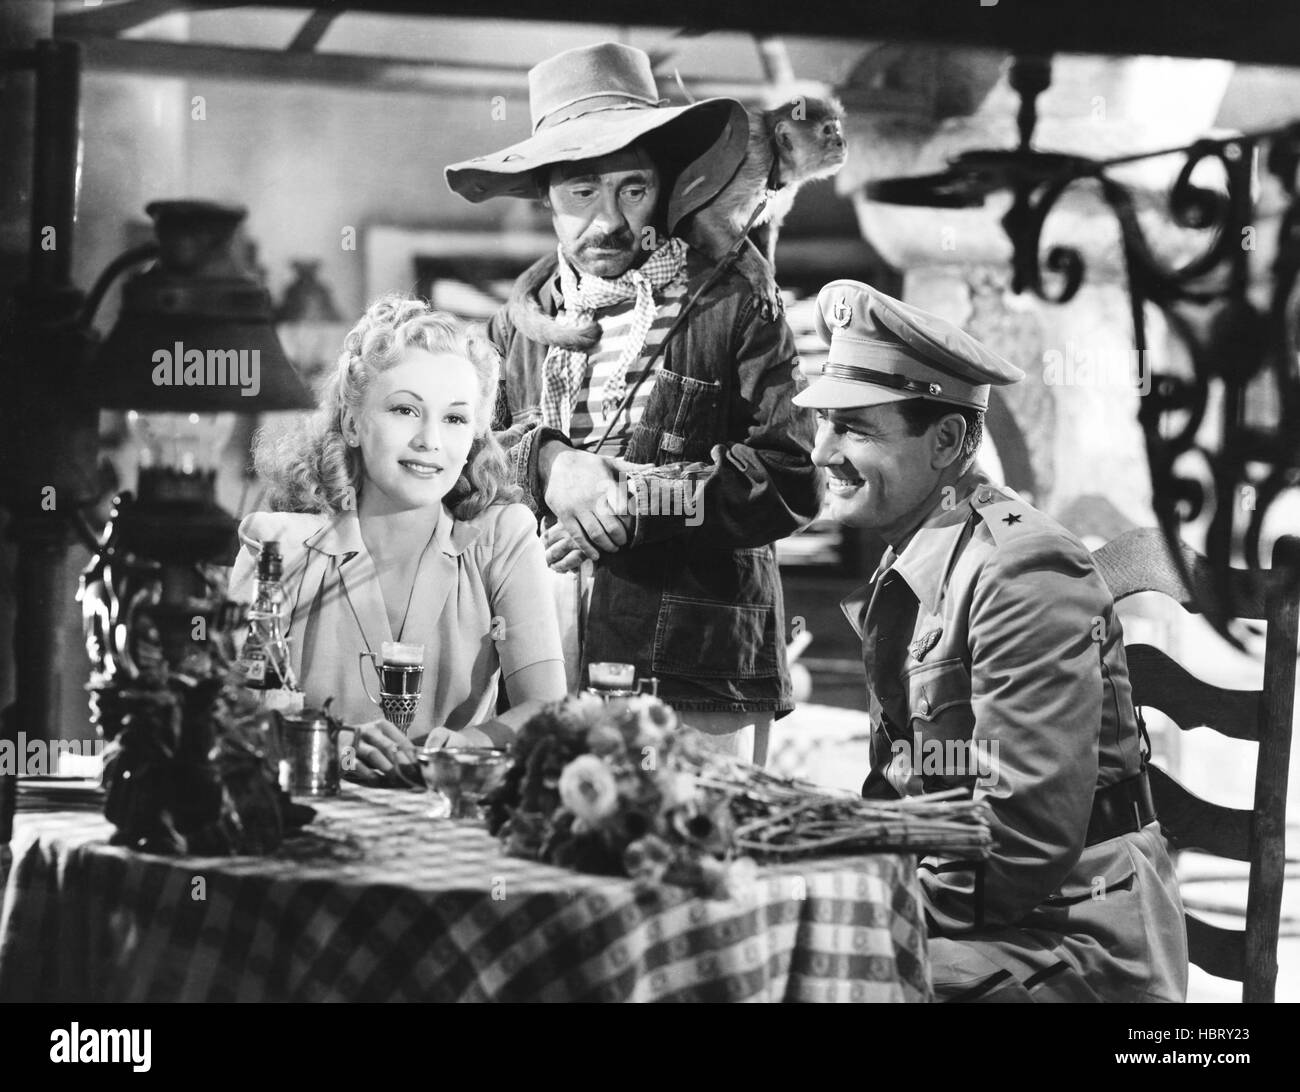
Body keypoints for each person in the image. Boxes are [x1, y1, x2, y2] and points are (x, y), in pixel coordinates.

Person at [794, 279, 1188, 1002]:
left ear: (947, 439)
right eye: (821, 422)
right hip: (984, 916)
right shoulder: (916, 551)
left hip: (1072, 936)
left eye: (852, 427)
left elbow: (1022, 841)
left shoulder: (1021, 569)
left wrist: (868, 910)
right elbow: (908, 788)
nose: (822, 451)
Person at [445, 43, 822, 764]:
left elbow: (792, 474)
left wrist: (632, 503)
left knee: (685, 865)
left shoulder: (736, 300)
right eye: (582, 193)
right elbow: (464, 472)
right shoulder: (515, 328)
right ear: (544, 198)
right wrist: (551, 463)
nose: (610, 220)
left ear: (666, 186)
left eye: (632, 189)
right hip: (536, 666)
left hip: (691, 672)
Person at [229, 296, 567, 782]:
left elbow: (545, 709)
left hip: (447, 822)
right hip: (308, 817)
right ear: (350, 423)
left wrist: (463, 745)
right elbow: (234, 715)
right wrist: (339, 744)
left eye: (454, 418)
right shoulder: (276, 547)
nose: (430, 440)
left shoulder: (503, 539)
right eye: (406, 410)